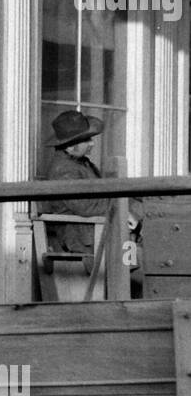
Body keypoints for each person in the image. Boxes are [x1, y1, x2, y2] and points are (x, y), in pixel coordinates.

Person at [40, 108, 141, 278]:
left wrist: (131, 204)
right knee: (147, 262)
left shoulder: (80, 164)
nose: (92, 143)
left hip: (100, 229)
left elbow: (105, 192)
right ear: (71, 146)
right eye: (87, 140)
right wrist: (122, 209)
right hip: (85, 236)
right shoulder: (63, 170)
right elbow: (86, 206)